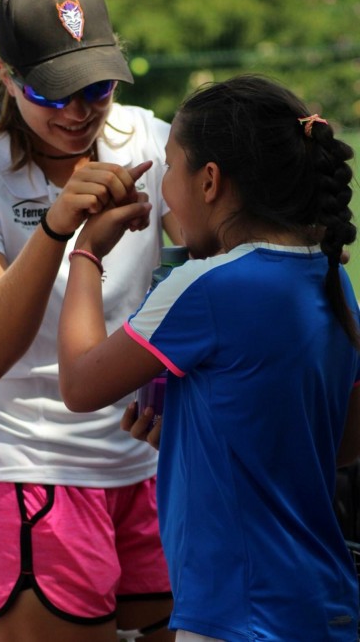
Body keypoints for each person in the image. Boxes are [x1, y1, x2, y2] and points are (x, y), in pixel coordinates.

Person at [57, 74, 360, 642]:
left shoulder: (204, 286)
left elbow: (79, 384)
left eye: (171, 167)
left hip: (237, 615)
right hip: (328, 606)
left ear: (210, 181)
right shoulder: (333, 280)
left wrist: (86, 252)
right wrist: (198, 438)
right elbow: (341, 441)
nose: (165, 186)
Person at [0, 0, 180, 640]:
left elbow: (211, 264)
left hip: (156, 474)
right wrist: (57, 230)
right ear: (8, 77)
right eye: (52, 92)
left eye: (96, 86)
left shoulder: (150, 142)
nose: (78, 110)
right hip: (26, 475)